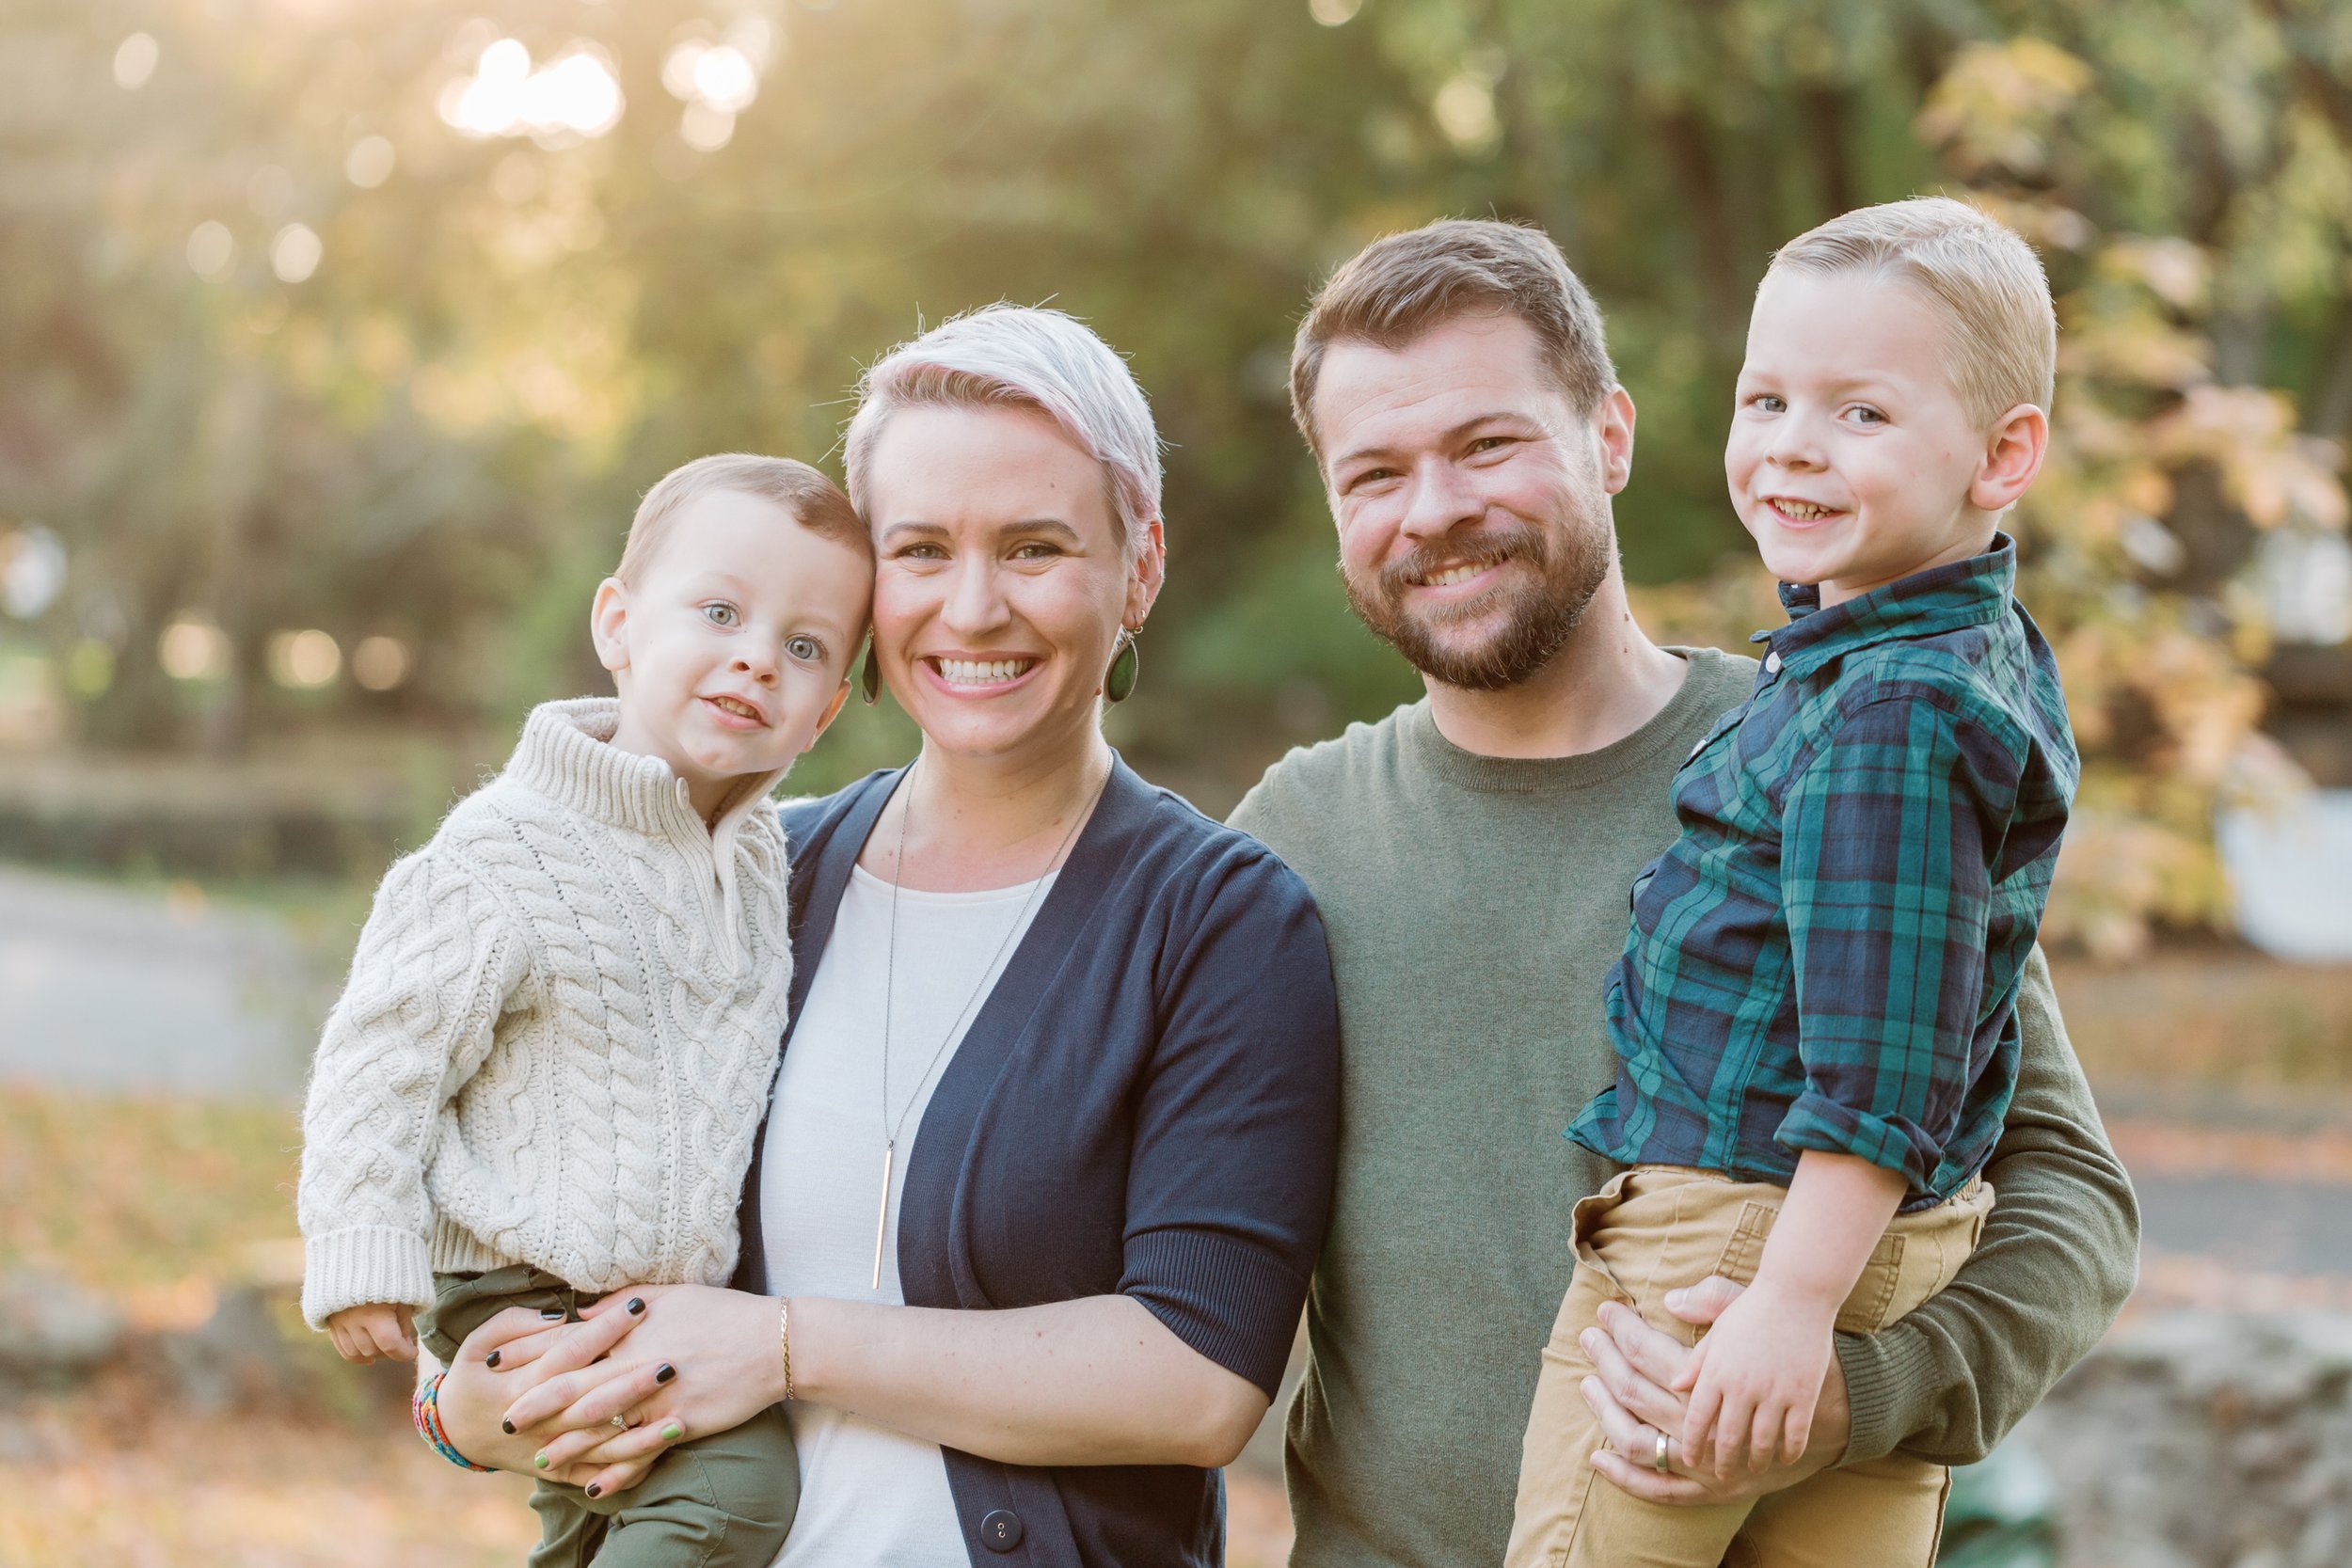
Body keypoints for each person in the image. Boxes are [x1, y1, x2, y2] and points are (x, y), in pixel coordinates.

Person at [1226, 217, 2138, 1568]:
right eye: (1374, 471)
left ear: (1611, 435)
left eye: (1487, 445)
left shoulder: (1824, 752)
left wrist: (1857, 1396)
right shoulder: (1288, 842)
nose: (1433, 510)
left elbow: (2066, 1191)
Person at [422, 305, 1343, 1568]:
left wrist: (791, 1342)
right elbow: (542, 1200)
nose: (973, 607)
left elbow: (1195, 1380)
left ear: (1139, 566)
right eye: (920, 549)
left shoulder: (1221, 921)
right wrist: (463, 1403)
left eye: (1033, 545)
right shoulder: (753, 875)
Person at [1507, 198, 2080, 1568]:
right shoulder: (1958, 653)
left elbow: (1884, 1055)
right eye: (1767, 398)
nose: (1790, 447)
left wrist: (1786, 1304)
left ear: (2006, 454)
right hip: (1881, 1243)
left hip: (1740, 1231)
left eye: (1860, 413)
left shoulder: (1893, 708)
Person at [297, 453, 874, 1567]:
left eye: (805, 647)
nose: (757, 655)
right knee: (737, 1486)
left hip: (654, 1296)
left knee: (591, 1517)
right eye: (718, 611)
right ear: (617, 622)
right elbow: (381, 1057)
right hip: (521, 1282)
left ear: (830, 705)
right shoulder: (502, 852)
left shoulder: (763, 856)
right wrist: (361, 1249)